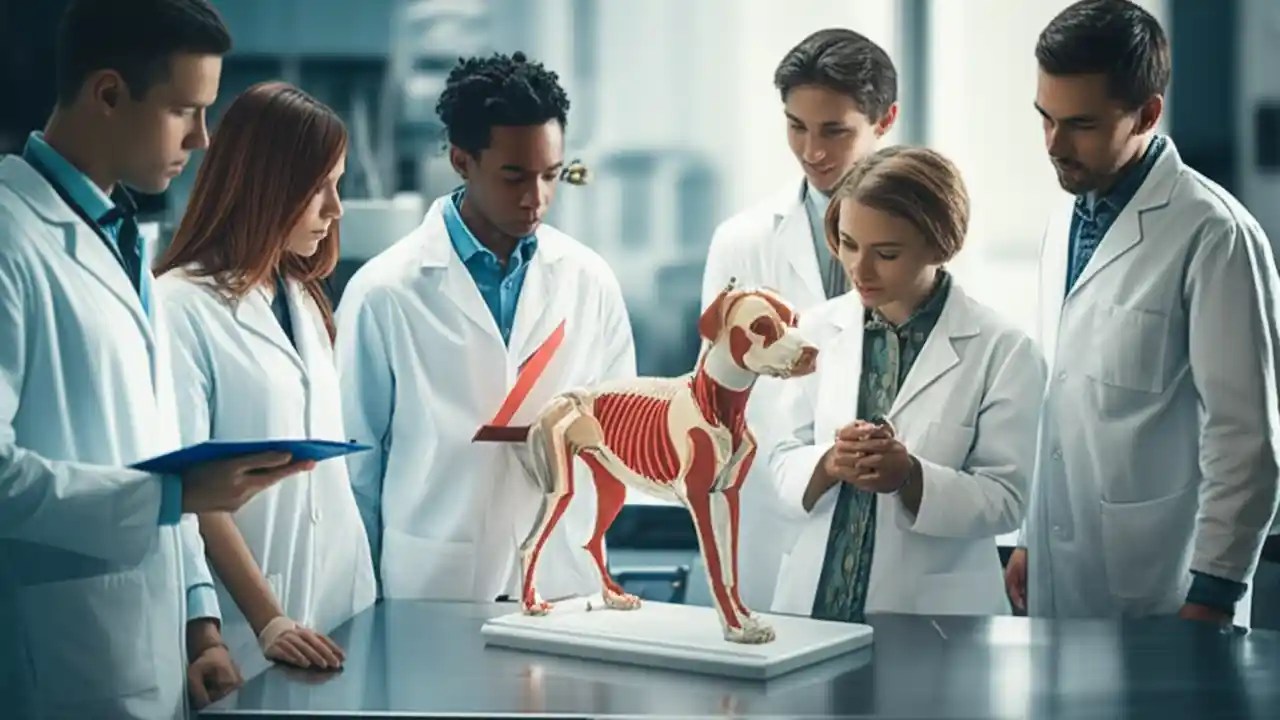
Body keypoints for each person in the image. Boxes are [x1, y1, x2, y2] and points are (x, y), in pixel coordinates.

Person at [0, 2, 313, 718]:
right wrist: (173, 496)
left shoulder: (121, 235)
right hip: (60, 665)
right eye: (184, 111)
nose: (203, 140)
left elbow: (156, 447)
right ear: (108, 93)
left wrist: (201, 630)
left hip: (153, 657)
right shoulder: (11, 240)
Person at [1005, 0, 1280, 626]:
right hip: (1059, 574)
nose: (1054, 144)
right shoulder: (1063, 221)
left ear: (1148, 114)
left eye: (1080, 124)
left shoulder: (1214, 235)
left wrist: (1212, 595)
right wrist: (1028, 536)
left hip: (1166, 590)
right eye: (1044, 117)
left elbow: (1246, 441)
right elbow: (1059, 398)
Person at [337, 52, 637, 604]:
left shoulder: (590, 282)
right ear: (461, 160)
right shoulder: (384, 293)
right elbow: (355, 472)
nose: (536, 199)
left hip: (561, 578)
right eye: (514, 176)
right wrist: (360, 604)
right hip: (432, 583)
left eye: (552, 175)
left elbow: (617, 437)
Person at [768, 146, 1046, 620]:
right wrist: (829, 464)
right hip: (814, 606)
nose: (859, 269)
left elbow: (1006, 501)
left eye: (887, 253)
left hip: (935, 619)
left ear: (941, 245)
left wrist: (911, 478)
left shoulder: (1004, 350)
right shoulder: (813, 331)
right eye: (848, 243)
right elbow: (777, 460)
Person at [154, 81, 376, 671]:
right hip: (250, 628)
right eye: (319, 188)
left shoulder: (301, 297)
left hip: (339, 603)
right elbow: (190, 492)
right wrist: (267, 618)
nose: (336, 209)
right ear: (266, 184)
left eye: (339, 184)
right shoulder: (179, 307)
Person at [699, 28, 899, 609]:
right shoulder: (741, 242)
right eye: (796, 126)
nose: (813, 151)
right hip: (770, 514)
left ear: (884, 120)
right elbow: (714, 393)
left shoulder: (932, 237)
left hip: (890, 517)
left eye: (835, 130)